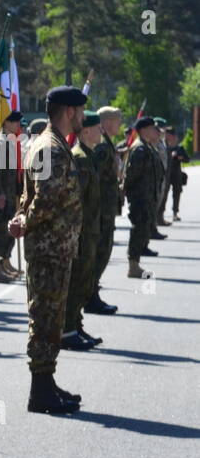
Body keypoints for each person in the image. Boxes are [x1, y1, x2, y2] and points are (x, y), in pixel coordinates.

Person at [10, 86, 87, 414]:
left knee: (50, 317)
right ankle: (40, 392)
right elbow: (46, 198)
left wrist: (22, 217)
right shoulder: (51, 148)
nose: (83, 116)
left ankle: (46, 383)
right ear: (69, 111)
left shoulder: (48, 143)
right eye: (80, 111)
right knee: (45, 318)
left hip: (53, 247)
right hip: (49, 248)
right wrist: (25, 222)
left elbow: (32, 196)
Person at [61, 112, 104, 351]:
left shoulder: (88, 155)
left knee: (85, 279)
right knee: (77, 280)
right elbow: (77, 199)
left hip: (90, 228)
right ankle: (67, 330)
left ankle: (75, 325)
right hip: (82, 230)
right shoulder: (80, 157)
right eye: (97, 128)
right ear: (85, 131)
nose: (101, 132)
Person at [85, 107, 122, 314]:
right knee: (99, 254)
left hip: (106, 210)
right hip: (100, 211)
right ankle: (90, 297)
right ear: (107, 122)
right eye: (117, 121)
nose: (119, 125)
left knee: (103, 253)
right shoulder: (102, 149)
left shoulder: (107, 145)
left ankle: (92, 293)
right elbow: (94, 178)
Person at [0, 109, 24, 283]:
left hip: (10, 194)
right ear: (6, 122)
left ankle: (4, 263)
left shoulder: (9, 141)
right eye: (15, 122)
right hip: (3, 195)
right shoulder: (0, 142)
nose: (18, 125)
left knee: (9, 232)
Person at [124, 117, 163, 280]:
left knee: (143, 229)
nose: (155, 131)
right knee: (138, 229)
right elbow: (132, 175)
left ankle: (135, 263)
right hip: (140, 198)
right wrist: (134, 195)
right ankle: (133, 265)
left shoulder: (147, 147)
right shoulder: (140, 149)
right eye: (152, 128)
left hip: (147, 197)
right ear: (144, 130)